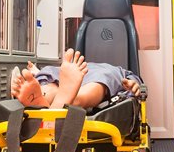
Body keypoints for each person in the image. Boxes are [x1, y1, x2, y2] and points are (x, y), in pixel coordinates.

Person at [10, 47, 145, 110]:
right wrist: (134, 86)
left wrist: (134, 86)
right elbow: (136, 84)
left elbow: (135, 85)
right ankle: (60, 101)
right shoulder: (119, 72)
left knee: (48, 77)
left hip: (76, 74)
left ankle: (45, 99)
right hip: (80, 74)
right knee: (101, 81)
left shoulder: (124, 75)